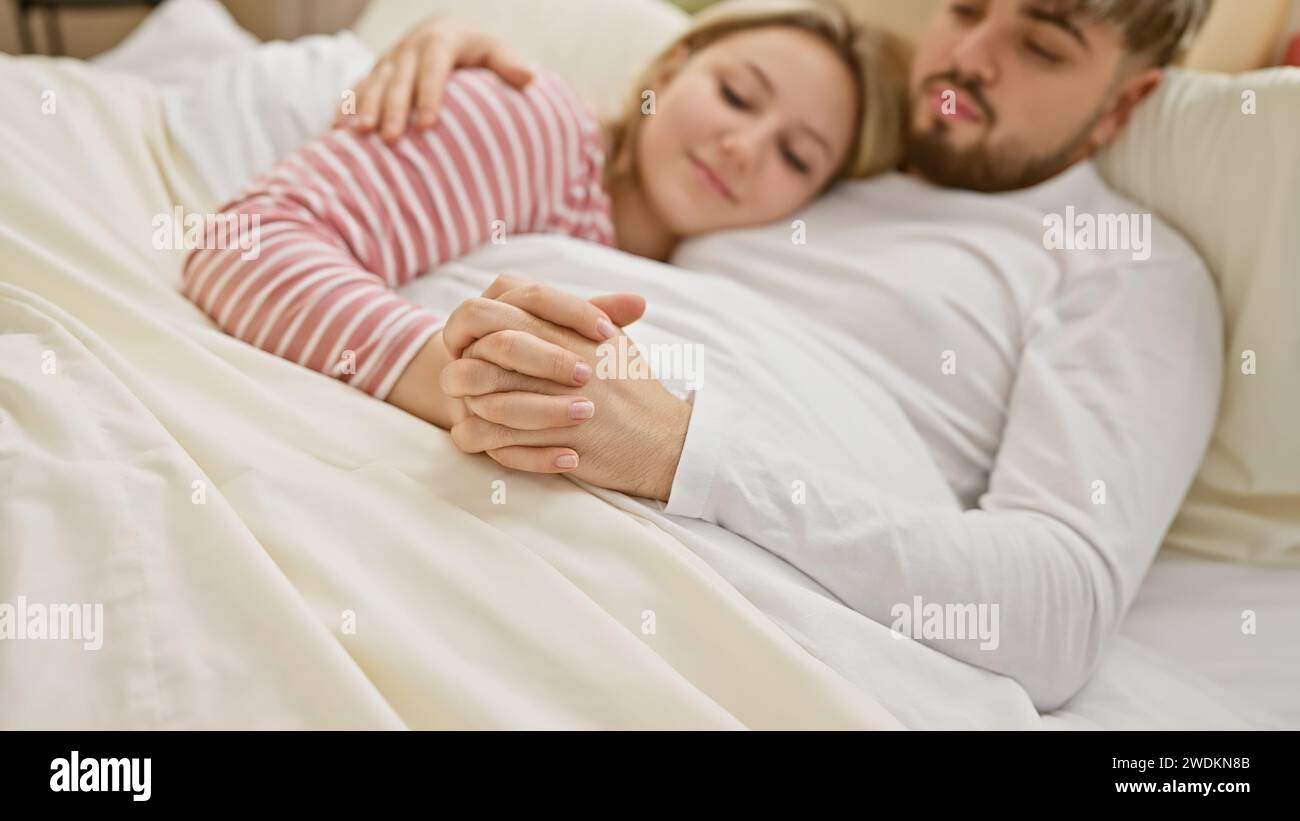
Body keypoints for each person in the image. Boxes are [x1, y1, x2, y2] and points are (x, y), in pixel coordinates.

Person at [358, 0, 1223, 709]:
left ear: (1123, 102)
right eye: (963, 8)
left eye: (1040, 44)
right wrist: (478, 76)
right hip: (423, 413)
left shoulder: (1122, 265)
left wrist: (679, 450)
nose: (971, 58)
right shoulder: (823, 150)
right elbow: (616, 173)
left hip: (633, 524)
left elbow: (1054, 609)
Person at [181, 0, 909, 433]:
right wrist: (460, 385)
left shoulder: (680, 284)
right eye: (737, 96)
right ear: (667, 72)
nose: (745, 147)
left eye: (796, 157)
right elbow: (241, 244)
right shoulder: (538, 123)